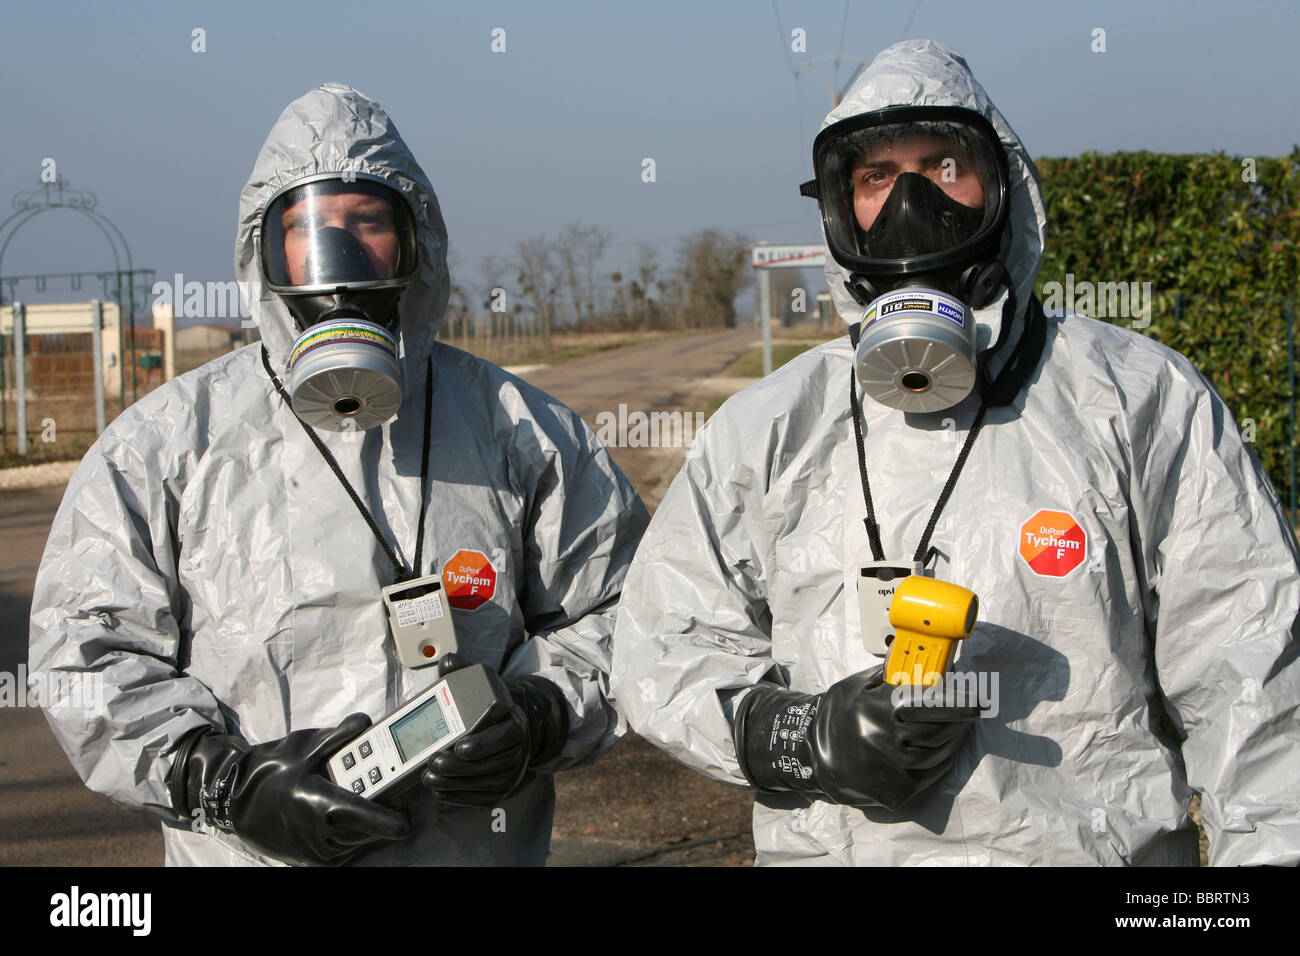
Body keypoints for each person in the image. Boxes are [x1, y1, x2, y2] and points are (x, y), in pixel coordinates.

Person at [609, 40, 1300, 866]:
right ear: (839, 209)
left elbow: (1253, 679)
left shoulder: (1136, 401)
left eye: (942, 165)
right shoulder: (768, 428)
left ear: (1001, 185)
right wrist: (801, 735)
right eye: (875, 178)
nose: (909, 204)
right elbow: (662, 647)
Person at [29, 83, 647, 866]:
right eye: (311, 229)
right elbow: (87, 651)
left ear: (413, 243)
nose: (343, 258)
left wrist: (538, 713)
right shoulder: (164, 448)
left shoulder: (520, 431)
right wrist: (223, 782)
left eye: (367, 224)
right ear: (267, 252)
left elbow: (625, 610)